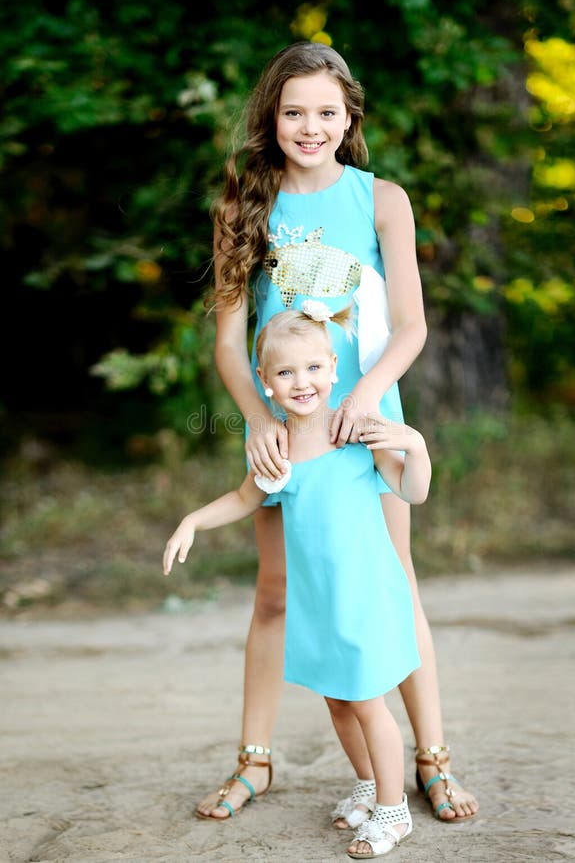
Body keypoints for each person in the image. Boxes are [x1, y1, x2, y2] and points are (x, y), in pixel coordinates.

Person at [196, 40, 478, 825]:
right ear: (272, 118)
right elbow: (227, 343)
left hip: (366, 427)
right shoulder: (243, 205)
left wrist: (376, 397)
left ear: (349, 115)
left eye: (326, 112)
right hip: (282, 430)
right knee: (278, 592)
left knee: (394, 582)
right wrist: (258, 424)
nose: (309, 126)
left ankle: (431, 757)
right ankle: (255, 760)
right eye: (293, 112)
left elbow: (413, 326)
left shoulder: (381, 199)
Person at [164, 304, 433, 858]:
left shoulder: (357, 436)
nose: (301, 382)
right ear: (264, 382)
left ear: (335, 368)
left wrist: (417, 447)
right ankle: (366, 785)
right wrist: (192, 520)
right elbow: (244, 500)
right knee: (337, 700)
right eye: (285, 373)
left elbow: (413, 493)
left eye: (312, 368)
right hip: (319, 602)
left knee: (366, 702)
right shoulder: (278, 452)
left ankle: (392, 810)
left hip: (363, 596)